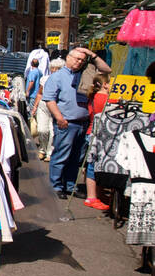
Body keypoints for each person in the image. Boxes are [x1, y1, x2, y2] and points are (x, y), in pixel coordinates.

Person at [43, 46, 111, 198]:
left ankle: (70, 186)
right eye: (77, 59)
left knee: (76, 158)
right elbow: (49, 99)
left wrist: (91, 54)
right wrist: (59, 118)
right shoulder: (57, 76)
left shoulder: (86, 73)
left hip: (83, 122)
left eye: (82, 60)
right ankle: (55, 186)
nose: (80, 62)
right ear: (68, 58)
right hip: (66, 122)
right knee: (61, 155)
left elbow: (106, 70)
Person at [83, 72, 111, 210]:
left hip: (91, 132)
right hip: (99, 134)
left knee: (94, 164)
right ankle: (91, 197)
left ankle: (96, 194)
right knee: (94, 165)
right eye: (111, 82)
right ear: (105, 84)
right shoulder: (105, 98)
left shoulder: (93, 96)